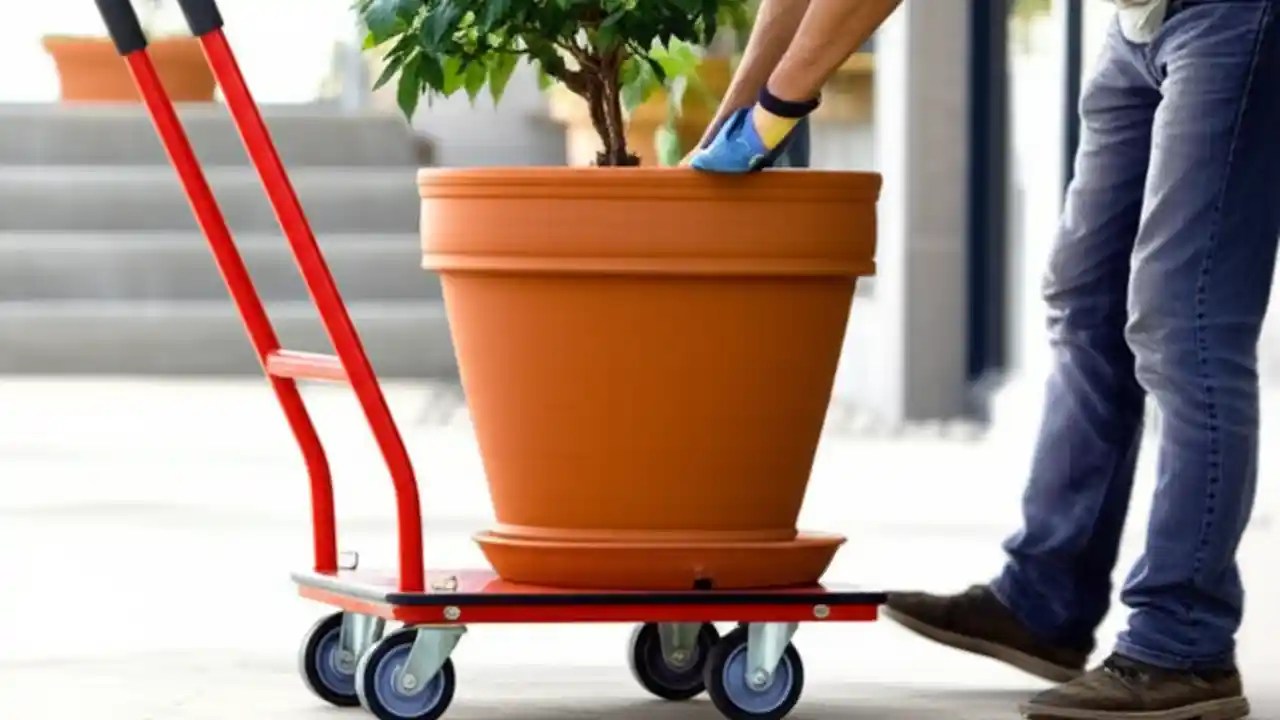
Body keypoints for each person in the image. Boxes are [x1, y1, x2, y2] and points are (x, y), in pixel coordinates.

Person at [687, 1, 1280, 718]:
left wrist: (777, 106)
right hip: (1139, 27)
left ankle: (1183, 644)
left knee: (1183, 323)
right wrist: (733, 117)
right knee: (1084, 299)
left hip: (1237, 17)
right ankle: (1045, 601)